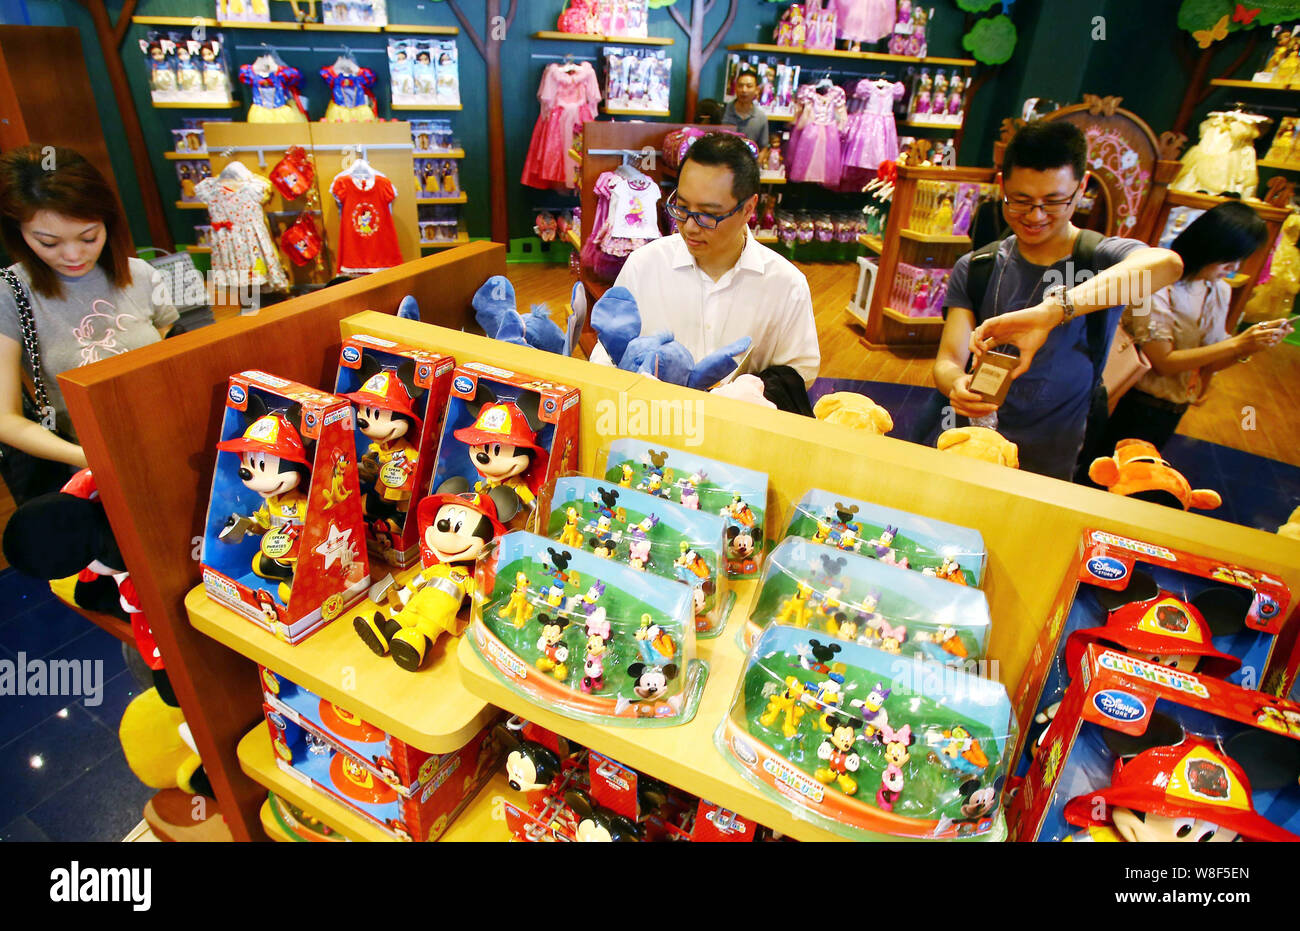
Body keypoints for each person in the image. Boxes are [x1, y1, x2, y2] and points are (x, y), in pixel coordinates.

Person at [931, 121, 1184, 480]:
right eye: (1020, 200)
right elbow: (949, 359)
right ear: (1002, 185)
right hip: (971, 440)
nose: (1035, 216)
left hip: (1054, 452)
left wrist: (1053, 311)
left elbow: (1166, 265)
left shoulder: (1100, 259)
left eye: (1054, 201)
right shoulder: (978, 267)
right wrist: (955, 383)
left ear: (1081, 188)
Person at [0, 144, 177, 499]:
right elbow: (5, 418)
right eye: (48, 242)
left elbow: (166, 369)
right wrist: (87, 458)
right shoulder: (12, 292)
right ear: (18, 232)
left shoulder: (140, 276)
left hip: (168, 450)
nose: (73, 255)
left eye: (88, 237)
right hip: (90, 473)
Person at [588, 132, 819, 394]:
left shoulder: (786, 285)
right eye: (682, 207)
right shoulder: (644, 265)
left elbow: (799, 372)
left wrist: (746, 392)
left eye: (708, 215)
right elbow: (607, 350)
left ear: (748, 209)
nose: (689, 227)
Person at [1103, 202, 1292, 452]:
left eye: (1240, 260)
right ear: (1207, 247)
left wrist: (1250, 347)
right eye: (1229, 259)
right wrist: (1239, 343)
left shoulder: (1217, 288)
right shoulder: (1155, 285)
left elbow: (1211, 360)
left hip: (1174, 405)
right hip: (1128, 403)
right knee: (1102, 471)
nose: (1234, 268)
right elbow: (1163, 363)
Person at [722, 69, 770, 160]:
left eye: (749, 86)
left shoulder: (761, 118)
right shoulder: (722, 112)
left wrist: (754, 167)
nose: (744, 90)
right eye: (740, 86)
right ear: (735, 88)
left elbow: (763, 148)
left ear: (757, 90)